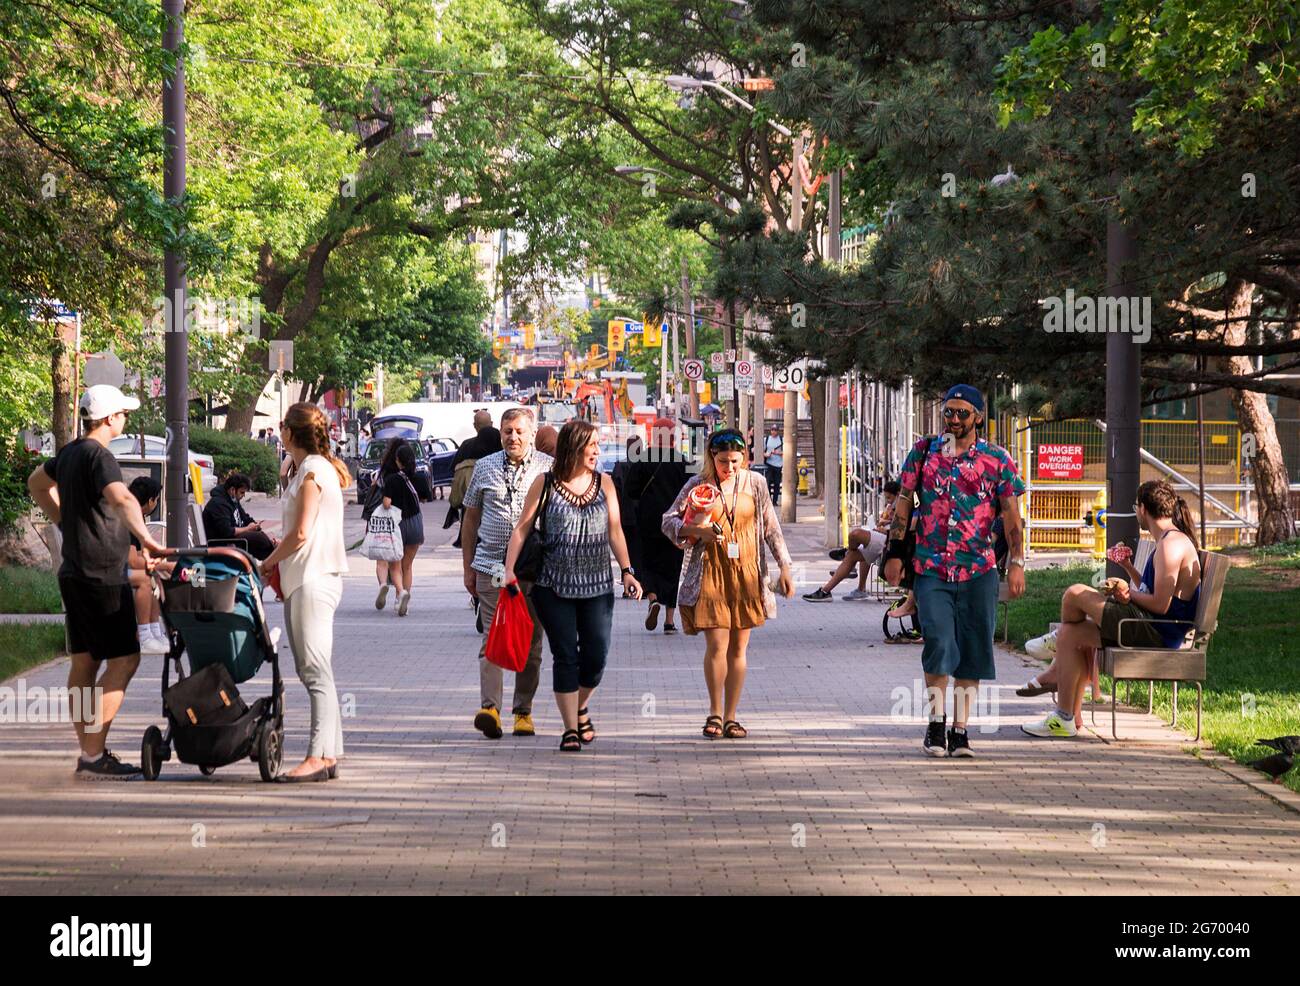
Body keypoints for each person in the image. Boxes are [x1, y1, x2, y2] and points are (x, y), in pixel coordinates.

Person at [27, 384, 168, 778]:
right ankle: (92, 754)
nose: (126, 418)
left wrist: (62, 519)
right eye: (123, 413)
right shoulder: (100, 456)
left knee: (85, 661)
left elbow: (36, 485)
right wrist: (148, 540)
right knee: (125, 658)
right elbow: (123, 499)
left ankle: (88, 749)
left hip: (74, 571)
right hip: (102, 575)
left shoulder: (70, 452)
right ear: (109, 419)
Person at [883, 384, 1025, 759]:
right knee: (939, 642)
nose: (955, 420)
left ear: (979, 415)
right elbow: (903, 504)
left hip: (979, 569)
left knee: (973, 650)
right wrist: (894, 552)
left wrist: (1017, 562)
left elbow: (1011, 515)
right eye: (949, 412)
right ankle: (935, 723)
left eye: (963, 413)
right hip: (931, 567)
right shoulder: (924, 451)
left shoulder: (997, 459)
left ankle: (960, 731)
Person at [1021, 480, 1202, 739]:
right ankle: (1065, 719)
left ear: (1143, 509)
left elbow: (1161, 605)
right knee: (1071, 636)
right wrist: (1128, 568)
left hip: (1156, 632)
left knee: (1074, 593)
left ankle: (1054, 653)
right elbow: (1153, 590)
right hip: (1149, 624)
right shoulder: (1167, 540)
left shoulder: (1170, 545)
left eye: (1136, 507)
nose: (1136, 512)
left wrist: (1128, 596)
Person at [503, 420, 642, 752]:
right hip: (553, 586)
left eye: (597, 444)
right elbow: (523, 528)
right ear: (573, 447)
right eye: (591, 445)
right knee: (565, 656)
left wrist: (627, 570)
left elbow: (615, 530)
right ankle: (570, 729)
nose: (596, 450)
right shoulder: (545, 483)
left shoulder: (605, 484)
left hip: (597, 586)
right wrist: (508, 570)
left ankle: (581, 707)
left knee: (596, 656)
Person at [662, 428, 795, 740]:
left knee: (739, 648)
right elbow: (668, 519)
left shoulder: (756, 484)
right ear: (712, 457)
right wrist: (694, 530)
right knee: (717, 646)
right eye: (723, 461)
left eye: (735, 461)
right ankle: (714, 712)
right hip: (711, 573)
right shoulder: (699, 485)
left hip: (747, 574)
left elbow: (772, 530)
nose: (730, 468)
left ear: (744, 458)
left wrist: (785, 567)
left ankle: (732, 716)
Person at [260, 402, 351, 782]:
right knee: (315, 668)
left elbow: (300, 533)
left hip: (313, 578)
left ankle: (318, 755)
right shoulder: (307, 470)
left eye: (282, 427)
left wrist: (267, 563)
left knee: (314, 670)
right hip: (307, 578)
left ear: (290, 433)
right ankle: (330, 752)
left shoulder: (314, 470)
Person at [461, 408, 553, 738]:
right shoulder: (484, 467)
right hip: (490, 567)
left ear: (531, 433)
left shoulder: (547, 467)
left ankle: (523, 711)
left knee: (530, 643)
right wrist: (468, 567)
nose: (512, 437)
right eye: (507, 431)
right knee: (492, 639)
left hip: (532, 570)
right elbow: (470, 519)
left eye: (518, 431)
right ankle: (490, 709)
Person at [625, 417, 690, 634]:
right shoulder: (682, 461)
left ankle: (652, 599)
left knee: (650, 564)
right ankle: (670, 621)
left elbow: (631, 489)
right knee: (673, 567)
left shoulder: (643, 459)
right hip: (675, 522)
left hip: (649, 520)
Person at [804, 480, 901, 602]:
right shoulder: (891, 506)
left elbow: (905, 527)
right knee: (853, 556)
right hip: (883, 537)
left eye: (890, 498)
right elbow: (889, 521)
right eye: (886, 498)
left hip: (890, 540)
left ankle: (846, 553)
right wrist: (884, 521)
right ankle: (825, 591)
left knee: (855, 534)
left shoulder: (904, 506)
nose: (888, 501)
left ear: (898, 494)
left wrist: (886, 530)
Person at [373, 440, 424, 616]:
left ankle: (400, 593)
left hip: (399, 525)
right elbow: (425, 497)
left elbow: (387, 503)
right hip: (416, 524)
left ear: (397, 460)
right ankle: (404, 602)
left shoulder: (393, 479)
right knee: (408, 566)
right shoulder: (418, 477)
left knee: (395, 566)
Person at [125, 476, 171, 656]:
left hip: (116, 567)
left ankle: (154, 631)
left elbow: (138, 553)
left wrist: (161, 560)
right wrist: (163, 564)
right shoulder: (128, 518)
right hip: (105, 571)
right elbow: (132, 560)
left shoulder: (136, 515)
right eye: (157, 499)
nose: (157, 503)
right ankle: (144, 637)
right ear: (150, 500)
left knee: (155, 575)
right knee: (146, 579)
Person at [203, 472, 277, 560]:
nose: (243, 496)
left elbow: (245, 517)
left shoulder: (233, 500)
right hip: (224, 543)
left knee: (259, 537)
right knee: (259, 539)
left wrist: (254, 524)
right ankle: (273, 558)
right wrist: (248, 529)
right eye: (242, 492)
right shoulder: (218, 504)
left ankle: (273, 555)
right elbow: (227, 531)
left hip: (235, 540)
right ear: (232, 490)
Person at [763, 423, 784, 504]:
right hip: (769, 463)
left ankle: (775, 501)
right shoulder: (767, 439)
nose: (773, 431)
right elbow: (762, 451)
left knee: (777, 483)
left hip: (778, 464)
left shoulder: (782, 439)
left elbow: (785, 452)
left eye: (775, 430)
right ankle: (768, 500)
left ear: (778, 431)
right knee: (767, 482)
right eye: (772, 430)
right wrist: (766, 455)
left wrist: (777, 453)